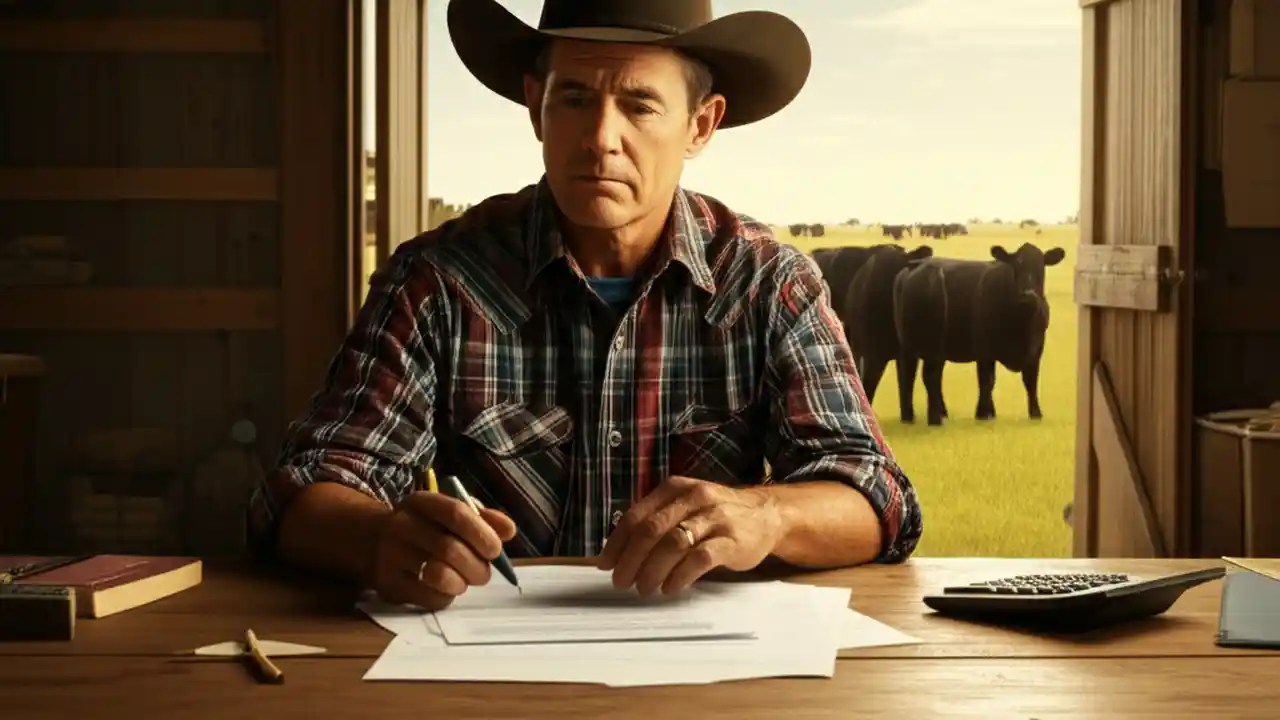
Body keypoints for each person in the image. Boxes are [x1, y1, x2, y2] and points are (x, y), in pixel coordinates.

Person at [247, 0, 923, 611]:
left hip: (712, 675)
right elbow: (302, 492)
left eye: (639, 104)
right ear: (536, 104)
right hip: (488, 673)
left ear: (701, 124)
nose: (601, 136)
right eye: (574, 98)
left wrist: (766, 515)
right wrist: (378, 537)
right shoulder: (436, 282)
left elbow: (878, 497)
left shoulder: (770, 284)